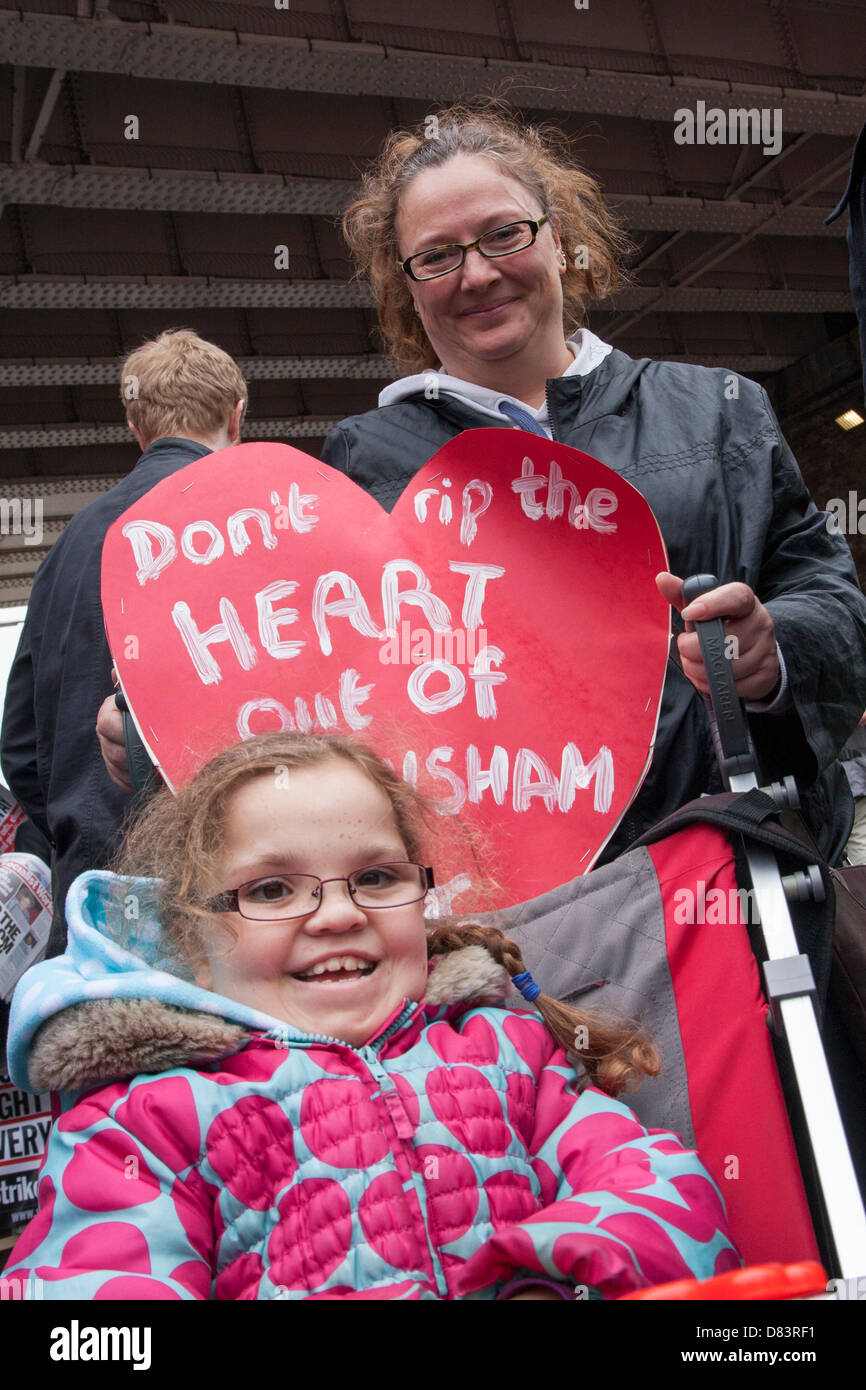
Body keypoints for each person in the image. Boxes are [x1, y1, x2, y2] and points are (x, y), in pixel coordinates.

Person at [314, 101, 866, 866]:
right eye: (436, 256)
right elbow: (322, 685)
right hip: (501, 919)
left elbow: (831, 596)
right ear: (405, 285)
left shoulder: (718, 410)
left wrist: (775, 655)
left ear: (559, 238)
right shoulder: (361, 461)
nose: (476, 274)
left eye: (504, 234)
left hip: (740, 876)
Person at [2, 731, 739, 1300]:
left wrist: (542, 1270)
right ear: (196, 943)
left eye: (377, 878)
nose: (337, 915)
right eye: (271, 891)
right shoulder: (146, 1125)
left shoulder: (508, 1055)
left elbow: (664, 1191)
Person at [1, 329, 247, 957]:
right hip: (226, 896)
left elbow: (23, 747)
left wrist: (80, 817)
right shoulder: (257, 521)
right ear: (236, 415)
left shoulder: (66, 550)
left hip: (88, 896)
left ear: (136, 428)